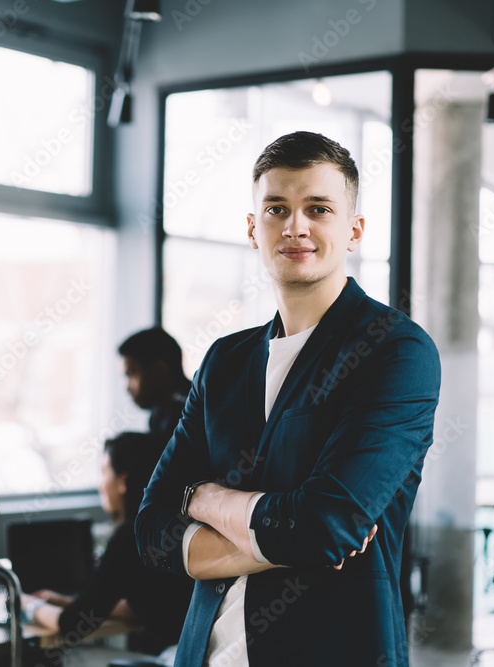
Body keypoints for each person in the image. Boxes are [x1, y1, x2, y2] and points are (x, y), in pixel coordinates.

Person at [135, 132, 441, 666]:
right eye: (277, 209)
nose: (295, 225)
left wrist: (205, 501)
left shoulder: (394, 352)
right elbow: (152, 529)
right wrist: (292, 535)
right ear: (254, 229)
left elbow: (326, 526)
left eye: (318, 209)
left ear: (354, 230)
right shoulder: (224, 361)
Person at [23, 432, 193, 654]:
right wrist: (67, 602)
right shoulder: (171, 525)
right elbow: (155, 606)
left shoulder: (130, 537)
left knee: (75, 659)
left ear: (123, 480)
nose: (100, 484)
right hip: (197, 652)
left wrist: (26, 604)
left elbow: (72, 625)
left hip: (178, 655)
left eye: (104, 472)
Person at [119, 327, 192, 445]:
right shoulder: (158, 416)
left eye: (132, 374)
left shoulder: (194, 413)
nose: (127, 388)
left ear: (159, 370)